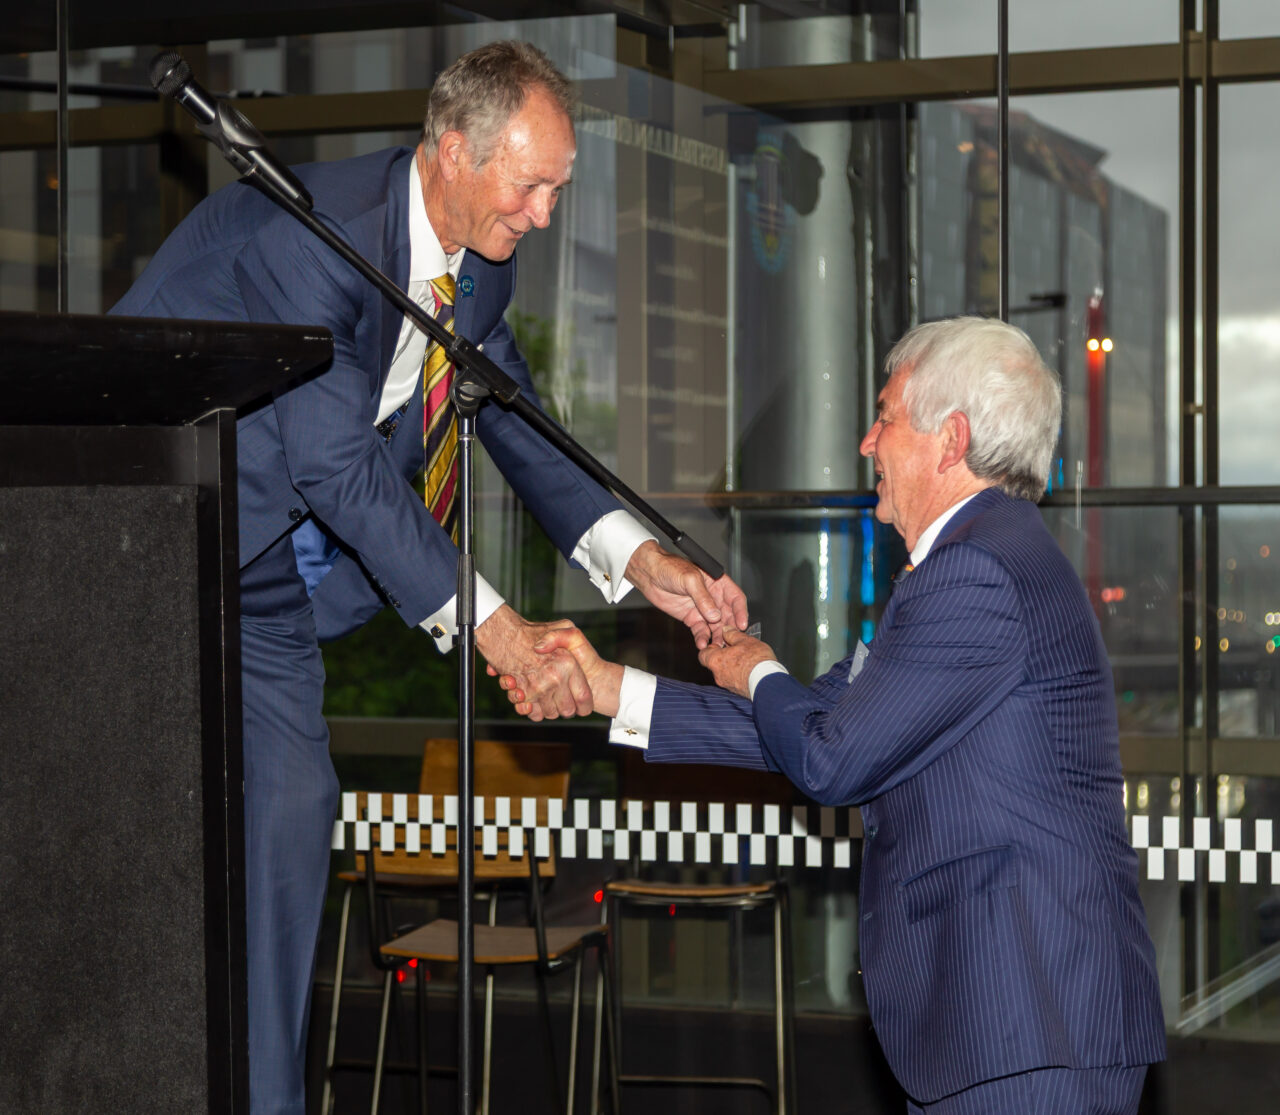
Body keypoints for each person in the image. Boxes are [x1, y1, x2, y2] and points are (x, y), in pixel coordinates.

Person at [112, 40, 745, 1115]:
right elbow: (337, 466)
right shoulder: (312, 235)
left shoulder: (483, 258)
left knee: (291, 807)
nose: (545, 215)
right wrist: (497, 628)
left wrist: (642, 559)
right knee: (126, 829)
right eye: (531, 185)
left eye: (559, 190)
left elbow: (510, 408)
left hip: (259, 569)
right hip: (148, 542)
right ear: (453, 150)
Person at [516, 317, 1166, 1114]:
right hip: (1013, 1029)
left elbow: (830, 757)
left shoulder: (976, 573)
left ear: (950, 439)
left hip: (1026, 1026)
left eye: (885, 417)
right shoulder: (981, 560)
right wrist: (609, 687)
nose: (867, 442)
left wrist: (758, 668)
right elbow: (815, 724)